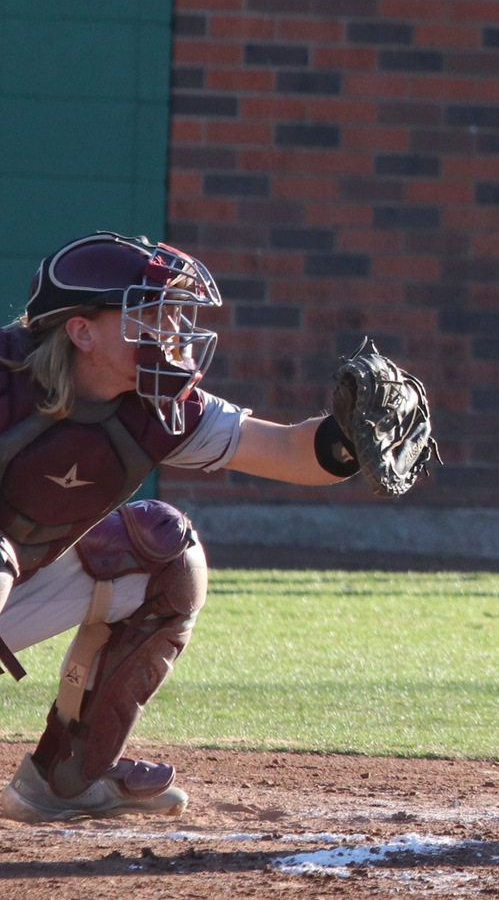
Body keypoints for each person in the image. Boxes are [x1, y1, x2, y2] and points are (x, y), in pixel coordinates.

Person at [0, 234, 418, 821]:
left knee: (163, 554)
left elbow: (287, 451)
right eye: (149, 312)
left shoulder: (158, 405)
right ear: (81, 331)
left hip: (10, 589)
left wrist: (348, 439)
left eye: (172, 310)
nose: (171, 328)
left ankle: (65, 779)